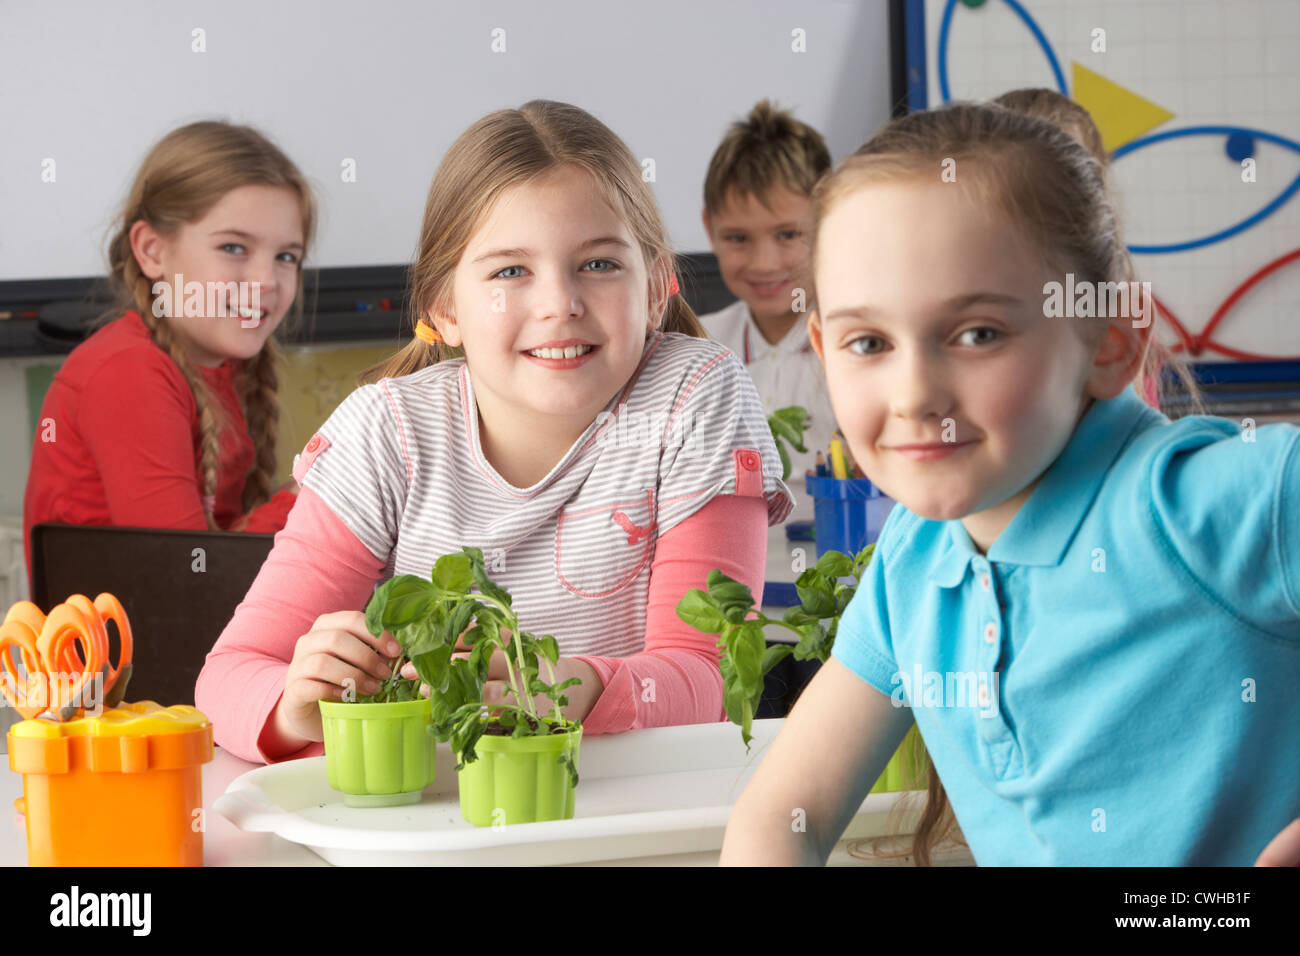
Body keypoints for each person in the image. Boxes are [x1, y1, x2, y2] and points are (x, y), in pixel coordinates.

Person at [721, 103, 1299, 865]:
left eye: (977, 334)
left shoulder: (1206, 499)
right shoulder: (913, 560)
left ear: (1111, 342)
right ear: (824, 349)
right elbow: (782, 817)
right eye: (869, 342)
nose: (913, 393)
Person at [196, 100, 793, 764]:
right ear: (443, 308)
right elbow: (225, 678)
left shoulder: (696, 395)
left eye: (598, 264)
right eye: (511, 271)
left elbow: (708, 681)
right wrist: (292, 705)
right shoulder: (385, 432)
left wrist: (567, 690)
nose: (558, 303)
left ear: (656, 286)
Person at [23, 121, 311, 578]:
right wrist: (311, 497)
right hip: (114, 650)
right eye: (234, 247)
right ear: (152, 250)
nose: (266, 281)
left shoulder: (222, 367)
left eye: (286, 257)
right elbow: (186, 578)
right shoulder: (128, 373)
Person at [698, 100, 838, 485]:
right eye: (738, 238)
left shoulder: (862, 346)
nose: (763, 263)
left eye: (788, 234)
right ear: (709, 228)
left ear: (828, 218)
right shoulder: (696, 345)